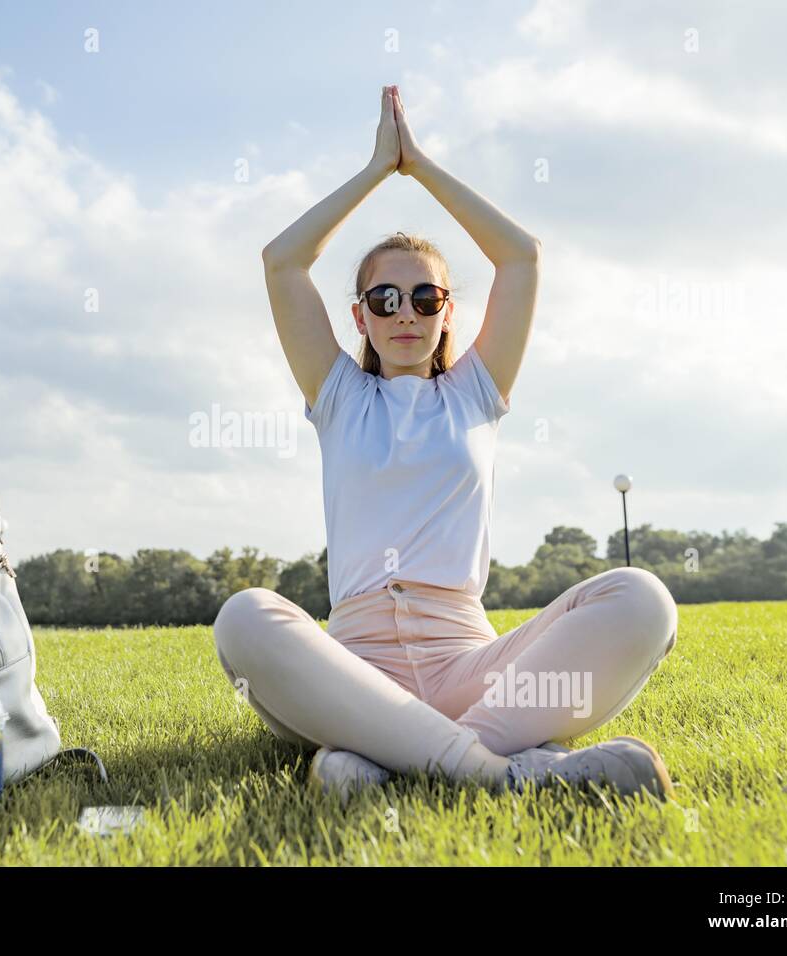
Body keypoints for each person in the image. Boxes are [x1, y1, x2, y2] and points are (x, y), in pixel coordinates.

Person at [213, 85, 679, 802]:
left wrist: (420, 165)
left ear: (446, 311)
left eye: (425, 297)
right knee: (244, 617)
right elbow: (282, 261)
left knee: (642, 598)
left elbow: (520, 257)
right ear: (360, 318)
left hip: (468, 667)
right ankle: (500, 773)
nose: (406, 312)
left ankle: (385, 762)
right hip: (354, 671)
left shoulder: (474, 392)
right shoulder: (338, 396)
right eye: (384, 299)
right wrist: (376, 170)